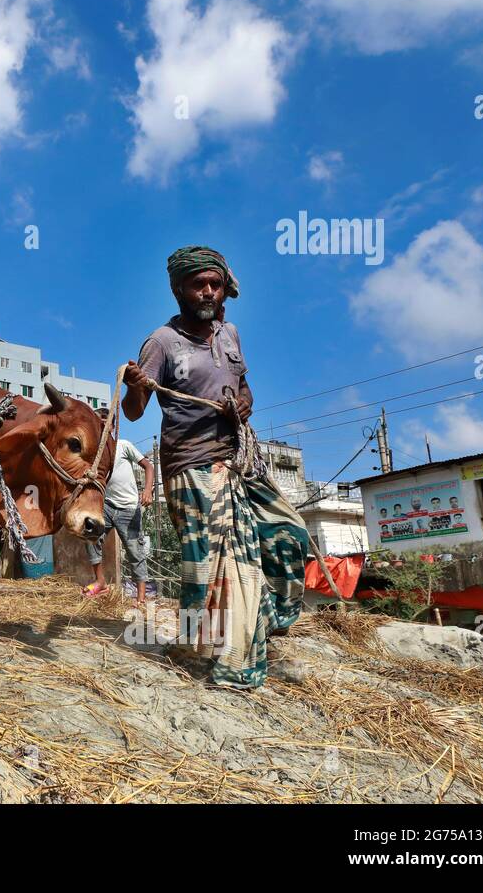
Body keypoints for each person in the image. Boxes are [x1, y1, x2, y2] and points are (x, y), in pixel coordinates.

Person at [121, 245, 308, 689]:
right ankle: (232, 661)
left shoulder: (230, 334)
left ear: (223, 289)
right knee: (217, 566)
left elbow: (245, 390)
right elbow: (133, 411)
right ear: (179, 290)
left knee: (289, 531)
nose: (207, 291)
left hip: (238, 461)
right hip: (190, 464)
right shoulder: (161, 343)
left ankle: (250, 627)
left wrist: (241, 407)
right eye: (197, 284)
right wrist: (133, 386)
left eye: (214, 283)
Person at [82, 426, 155, 604]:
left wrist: (147, 490)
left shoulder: (123, 445)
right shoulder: (94, 452)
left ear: (112, 427)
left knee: (134, 551)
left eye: (105, 424)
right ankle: (100, 582)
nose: (101, 428)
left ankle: (141, 598)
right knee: (91, 536)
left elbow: (148, 466)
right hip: (107, 505)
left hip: (128, 508)